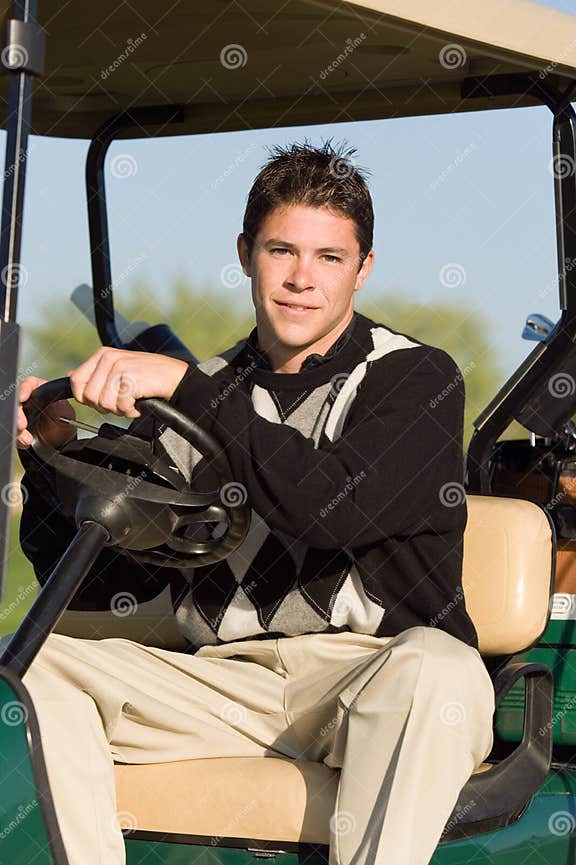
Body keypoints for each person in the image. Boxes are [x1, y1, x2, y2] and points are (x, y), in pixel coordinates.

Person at [15, 141, 494, 865]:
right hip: (225, 682)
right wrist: (48, 461)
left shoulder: (413, 377)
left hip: (370, 673)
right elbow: (100, 579)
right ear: (246, 254)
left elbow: (330, 506)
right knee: (28, 669)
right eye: (282, 251)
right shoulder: (196, 391)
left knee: (438, 668)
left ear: (362, 269)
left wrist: (187, 389)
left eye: (329, 258)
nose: (303, 279)